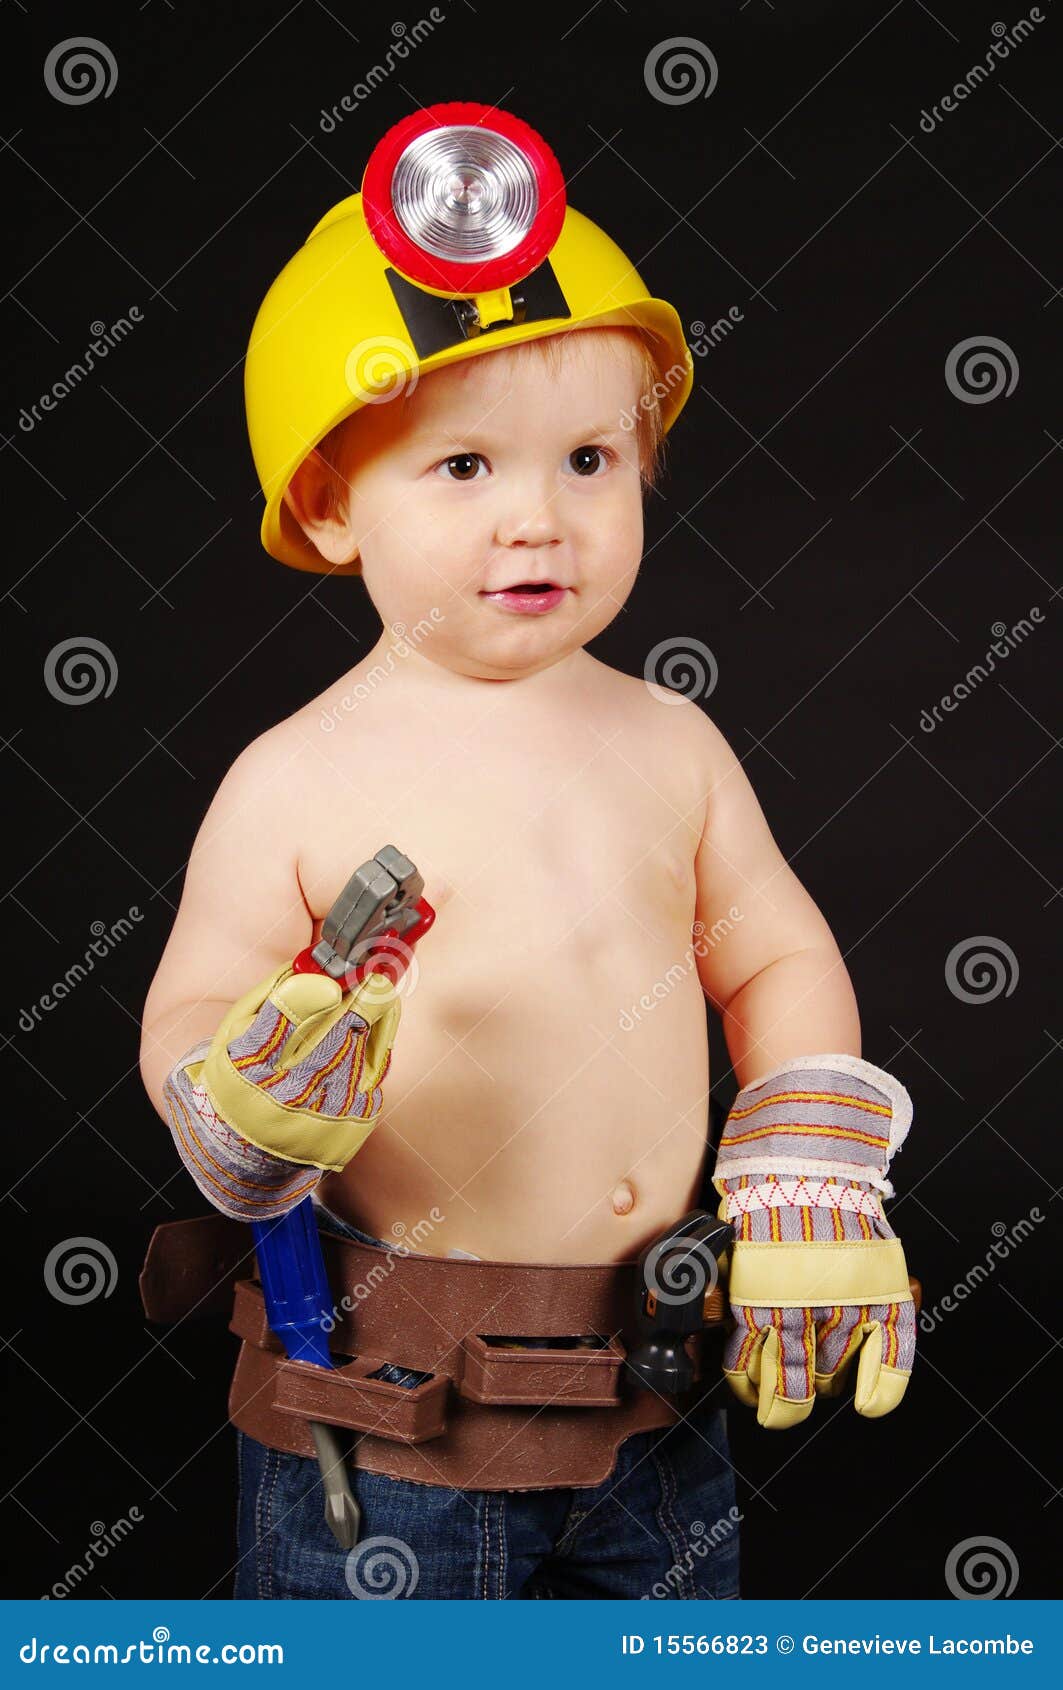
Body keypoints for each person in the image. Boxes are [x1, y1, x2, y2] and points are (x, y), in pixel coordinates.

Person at [138, 103, 916, 1601]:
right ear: (327, 500)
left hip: (657, 1391)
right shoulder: (294, 776)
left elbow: (771, 951)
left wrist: (809, 1158)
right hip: (387, 1413)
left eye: (587, 457)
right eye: (463, 469)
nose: (539, 518)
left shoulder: (669, 741)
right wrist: (238, 1106)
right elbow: (191, 1013)